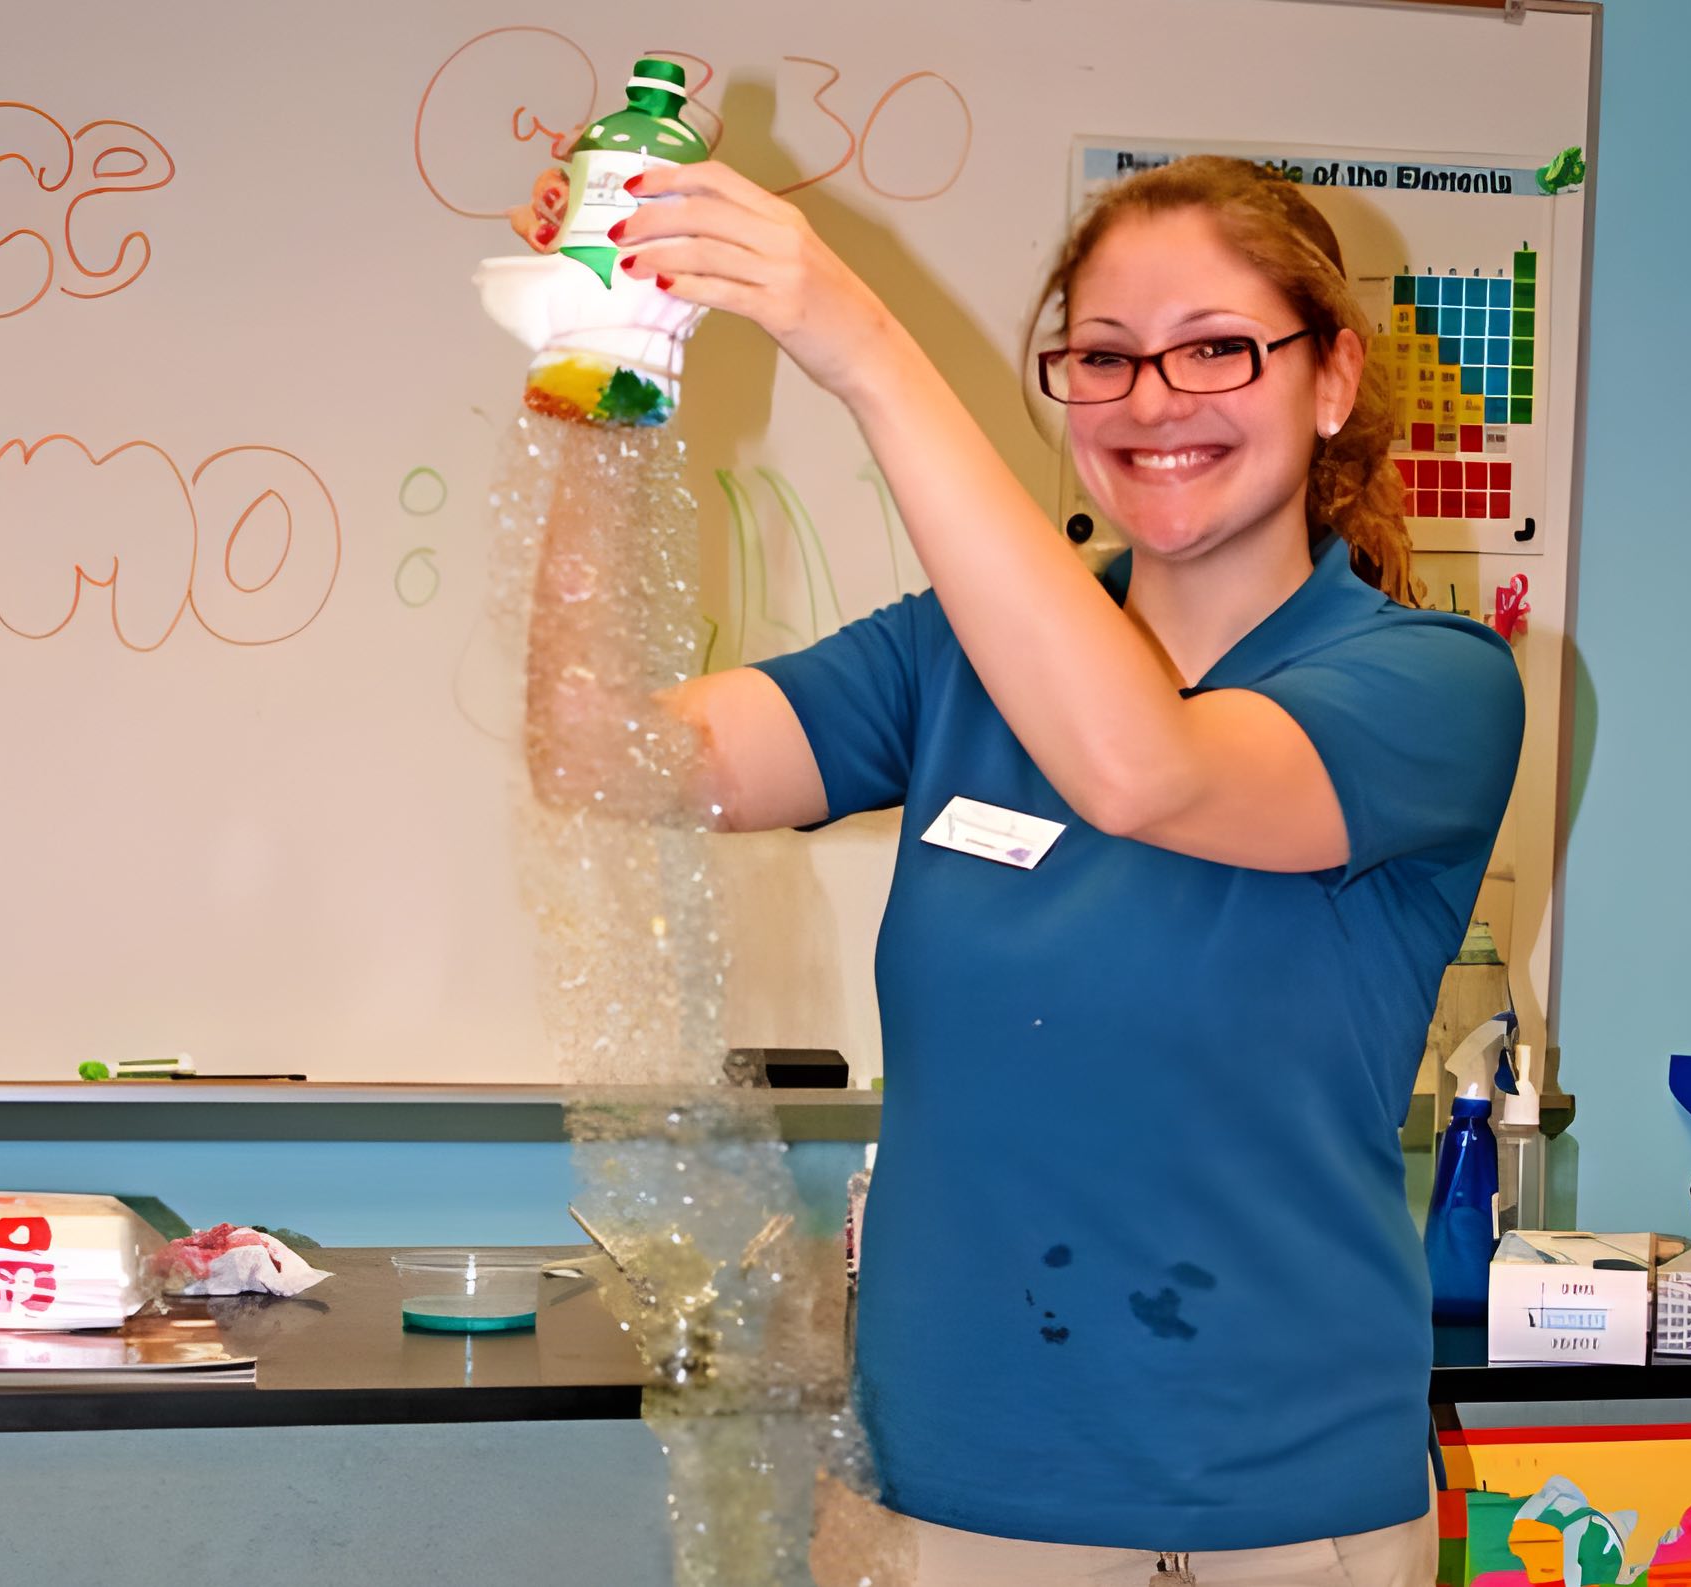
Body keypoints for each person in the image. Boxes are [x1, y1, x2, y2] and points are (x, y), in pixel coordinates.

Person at [511, 154, 1523, 1586]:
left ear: (1332, 379)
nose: (1153, 401)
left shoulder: (1427, 685)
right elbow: (598, 752)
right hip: (962, 1487)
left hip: (1286, 1508)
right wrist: (595, 370)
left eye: (1216, 348)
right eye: (1102, 359)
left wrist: (857, 343)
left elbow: (1143, 768)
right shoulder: (947, 660)